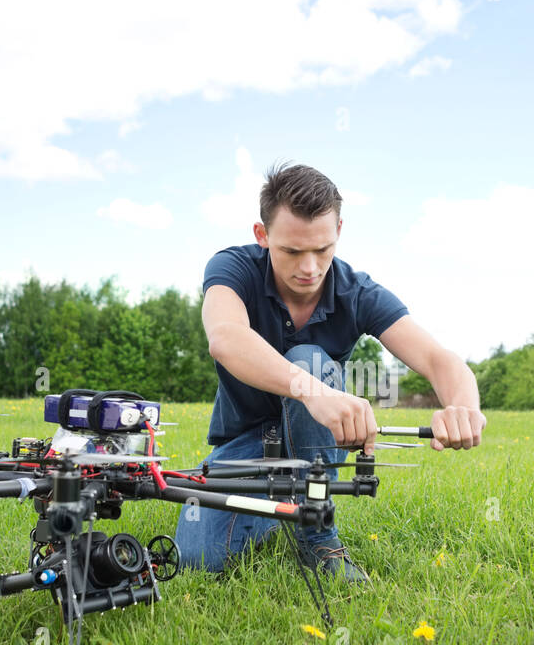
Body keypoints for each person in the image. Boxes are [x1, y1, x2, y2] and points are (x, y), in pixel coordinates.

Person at [174, 162, 486, 583]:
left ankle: (318, 536)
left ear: (339, 228)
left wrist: (462, 407)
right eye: (292, 251)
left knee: (311, 360)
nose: (309, 267)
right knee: (198, 558)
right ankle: (279, 500)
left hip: (318, 438)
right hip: (246, 441)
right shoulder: (232, 268)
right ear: (262, 236)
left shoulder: (358, 291)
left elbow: (438, 359)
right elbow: (226, 337)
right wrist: (311, 391)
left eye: (322, 249)